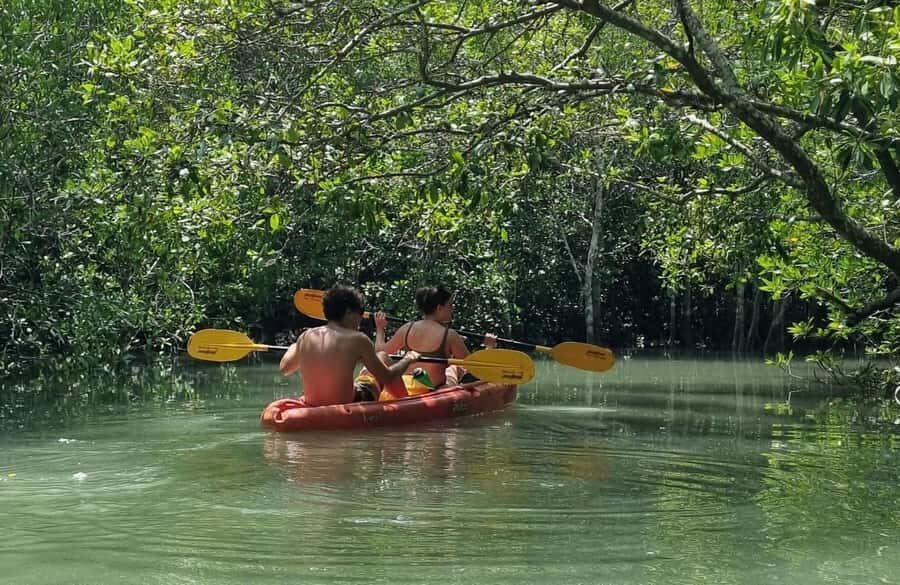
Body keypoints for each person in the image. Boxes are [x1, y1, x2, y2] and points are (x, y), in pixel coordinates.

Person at [279, 285, 420, 406]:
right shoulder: (358, 339)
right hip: (350, 402)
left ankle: (373, 379)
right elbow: (388, 377)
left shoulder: (306, 336)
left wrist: (295, 346)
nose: (359, 321)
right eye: (359, 315)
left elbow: (285, 368)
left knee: (367, 372)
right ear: (349, 313)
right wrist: (408, 359)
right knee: (383, 356)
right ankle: (406, 403)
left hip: (313, 403)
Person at [374, 285, 497, 390]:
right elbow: (474, 367)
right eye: (450, 305)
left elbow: (380, 351)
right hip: (431, 389)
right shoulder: (449, 335)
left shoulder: (407, 328)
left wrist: (380, 328)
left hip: (408, 385)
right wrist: (489, 347)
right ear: (439, 308)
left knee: (454, 367)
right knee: (455, 367)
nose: (452, 308)